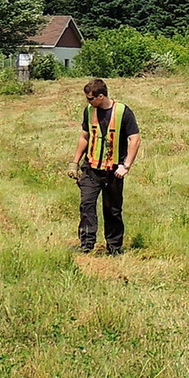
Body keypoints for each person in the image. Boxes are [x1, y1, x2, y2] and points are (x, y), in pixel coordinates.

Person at [66, 78, 141, 256]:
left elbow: (135, 139)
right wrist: (75, 162)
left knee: (112, 210)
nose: (87, 101)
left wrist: (126, 166)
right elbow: (84, 137)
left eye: (90, 98)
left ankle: (114, 248)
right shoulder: (89, 111)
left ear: (101, 96)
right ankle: (86, 245)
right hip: (91, 168)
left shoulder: (123, 112)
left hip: (114, 171)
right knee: (86, 204)